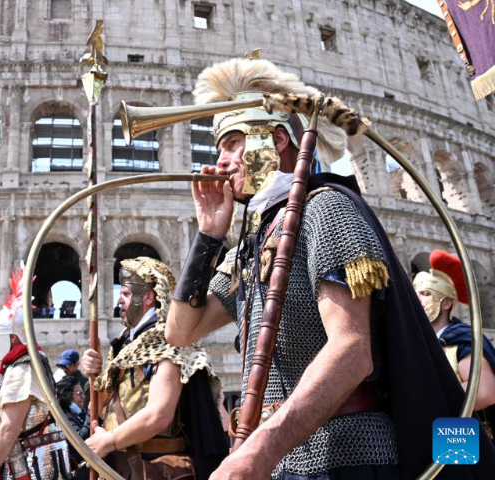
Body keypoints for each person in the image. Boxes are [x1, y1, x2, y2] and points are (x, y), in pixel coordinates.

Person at [164, 56, 495, 478]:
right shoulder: (254, 241)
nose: (222, 159)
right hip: (283, 455)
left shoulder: (328, 210)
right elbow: (181, 330)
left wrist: (262, 448)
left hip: (348, 455)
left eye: (232, 143)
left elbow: (352, 352)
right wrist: (209, 236)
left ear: (277, 139)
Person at [81, 257, 229, 479]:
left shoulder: (168, 342)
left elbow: (159, 415)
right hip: (117, 467)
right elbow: (106, 408)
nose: (119, 301)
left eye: (126, 294)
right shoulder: (123, 346)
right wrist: (95, 375)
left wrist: (110, 441)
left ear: (148, 297)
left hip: (153, 469)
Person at [0, 265, 70, 480]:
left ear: (13, 338)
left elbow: (9, 429)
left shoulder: (22, 368)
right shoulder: (32, 362)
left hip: (32, 466)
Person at [413, 249, 495, 438]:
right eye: (416, 294)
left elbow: (484, 391)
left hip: (459, 433)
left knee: (455, 466)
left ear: (446, 304)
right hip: (428, 433)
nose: (417, 300)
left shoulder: (461, 340)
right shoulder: (425, 343)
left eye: (425, 293)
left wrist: (425, 401)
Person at [55, 376, 89, 480]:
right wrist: (91, 413)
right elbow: (79, 438)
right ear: (67, 396)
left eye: (83, 393)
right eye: (79, 393)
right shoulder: (63, 416)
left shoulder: (77, 413)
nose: (83, 397)